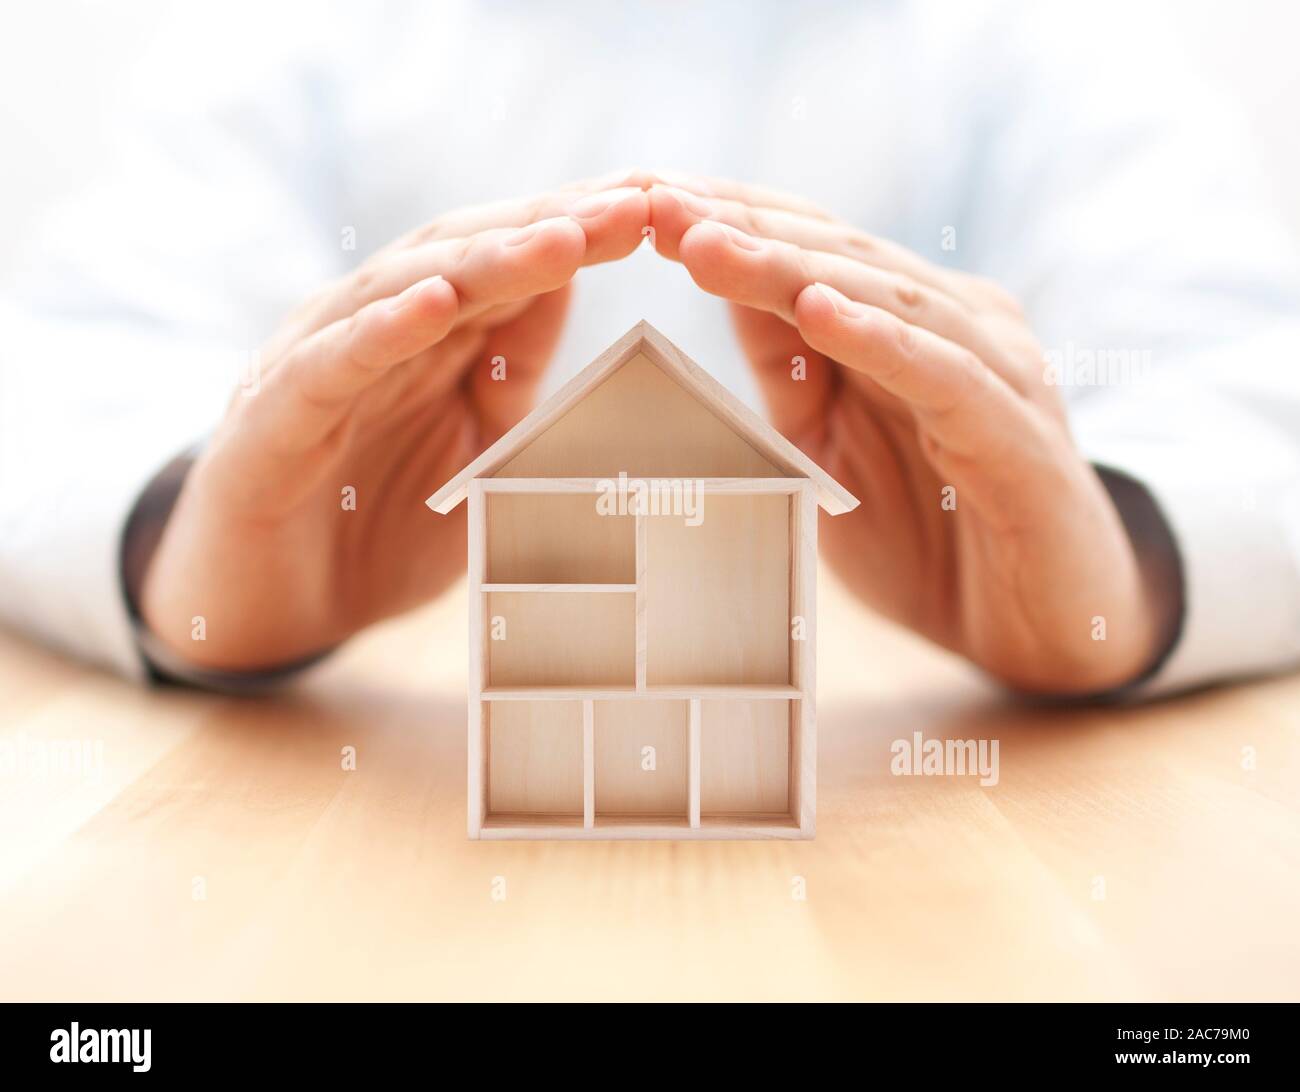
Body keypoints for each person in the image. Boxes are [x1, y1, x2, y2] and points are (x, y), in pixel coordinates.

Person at [2, 0, 1298, 696]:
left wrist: (1123, 566)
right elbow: (64, 370)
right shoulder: (298, 38)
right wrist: (179, 548)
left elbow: (1249, 368)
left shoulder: (1026, 38)